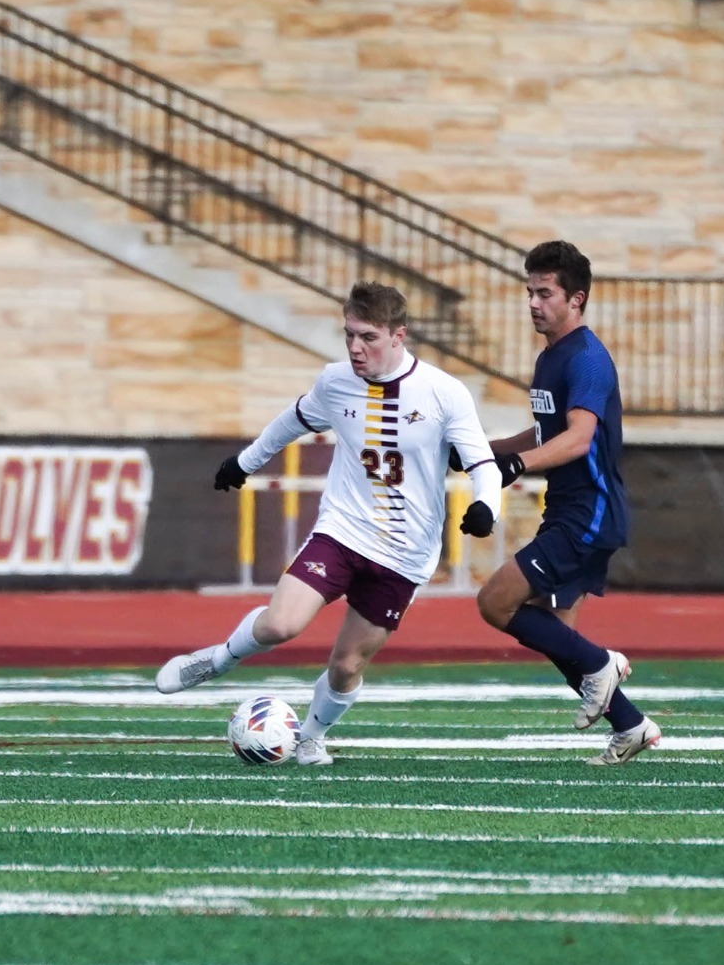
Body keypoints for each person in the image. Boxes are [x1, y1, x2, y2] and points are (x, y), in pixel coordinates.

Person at [155, 281, 504, 767]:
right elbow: (291, 421)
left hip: (404, 554)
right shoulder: (335, 381)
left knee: (347, 665)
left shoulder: (444, 392)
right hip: (342, 531)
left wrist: (487, 506)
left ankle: (312, 736)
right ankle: (217, 659)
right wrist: (245, 462)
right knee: (280, 625)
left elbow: (483, 463)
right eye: (349, 335)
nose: (355, 347)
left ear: (399, 335)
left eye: (368, 337)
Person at [469, 240, 659, 767]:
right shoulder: (550, 356)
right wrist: (485, 451)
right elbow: (545, 431)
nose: (533, 302)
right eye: (530, 291)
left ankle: (603, 663)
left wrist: (516, 465)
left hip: (588, 514)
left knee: (495, 603)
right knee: (555, 632)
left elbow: (577, 439)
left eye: (545, 293)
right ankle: (630, 725)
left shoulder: (587, 358)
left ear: (577, 299)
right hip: (570, 510)